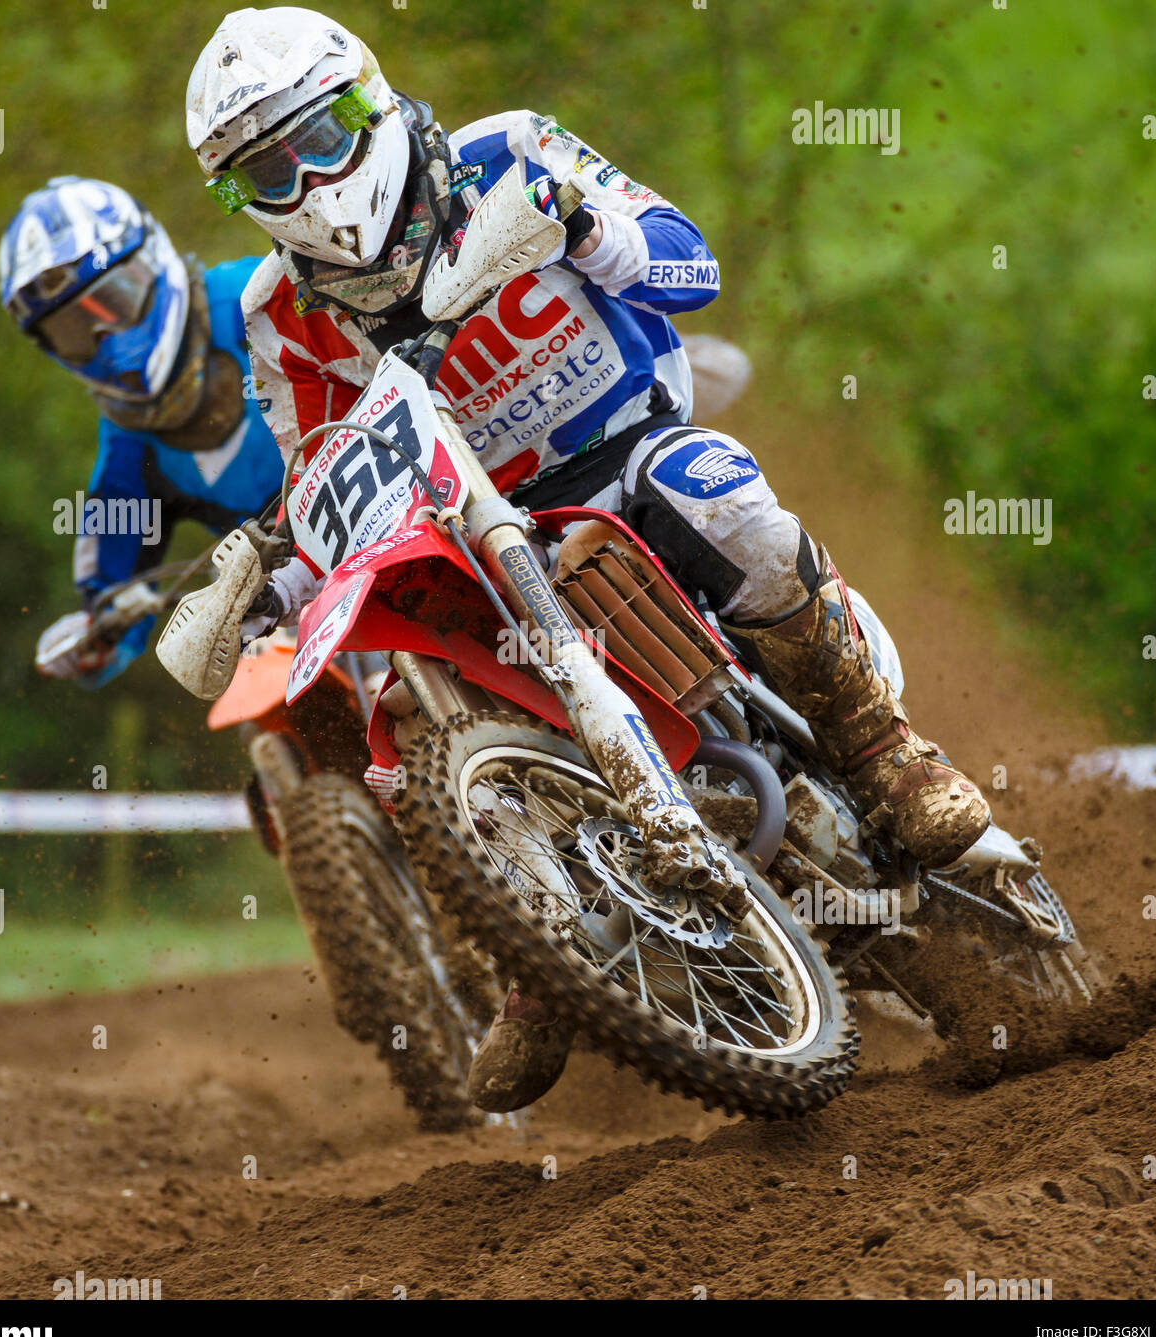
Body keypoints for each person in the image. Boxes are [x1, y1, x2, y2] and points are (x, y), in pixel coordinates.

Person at [185, 7, 992, 1110]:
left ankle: (882, 746)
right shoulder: (277, 310)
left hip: (626, 452)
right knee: (426, 714)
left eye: (319, 140)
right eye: (268, 172)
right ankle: (545, 960)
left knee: (724, 502)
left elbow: (688, 261)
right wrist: (270, 582)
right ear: (239, 199)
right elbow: (315, 469)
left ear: (369, 102)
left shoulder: (508, 152)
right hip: (470, 535)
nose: (308, 182)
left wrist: (589, 233)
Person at [0, 176, 289, 685]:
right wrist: (92, 641)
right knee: (259, 691)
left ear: (153, 259)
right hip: (295, 601)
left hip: (423, 507)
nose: (107, 338)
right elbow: (110, 596)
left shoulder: (263, 298)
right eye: (73, 331)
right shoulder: (128, 451)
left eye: (115, 298)